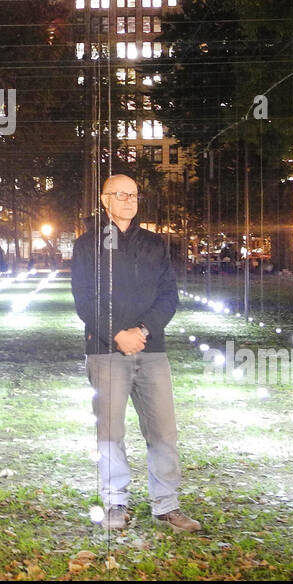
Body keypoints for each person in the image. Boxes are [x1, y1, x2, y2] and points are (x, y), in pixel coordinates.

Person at [70, 174, 201, 533]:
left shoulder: (154, 244)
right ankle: (115, 502)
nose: (129, 201)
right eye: (120, 194)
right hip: (105, 351)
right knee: (110, 432)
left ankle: (167, 504)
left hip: (151, 350)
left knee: (163, 431)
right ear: (104, 200)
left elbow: (168, 296)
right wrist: (116, 335)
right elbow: (85, 300)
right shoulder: (87, 245)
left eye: (134, 195)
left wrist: (142, 331)